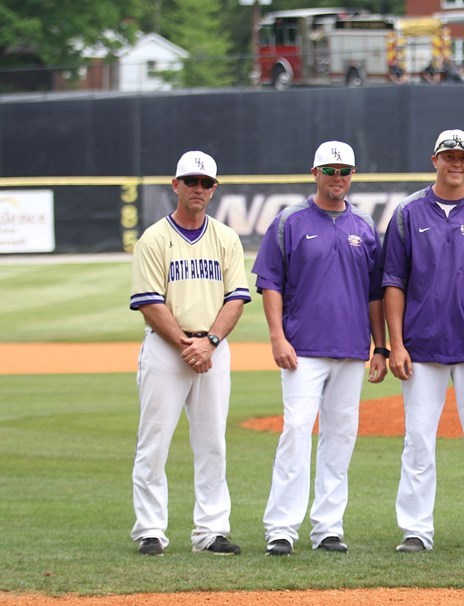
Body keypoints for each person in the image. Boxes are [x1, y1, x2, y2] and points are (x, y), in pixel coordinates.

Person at [381, 129, 464, 554]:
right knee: (418, 439)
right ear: (434, 159)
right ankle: (417, 529)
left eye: (463, 157)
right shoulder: (407, 212)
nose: (456, 163)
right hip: (420, 348)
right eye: (448, 156)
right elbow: (393, 280)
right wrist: (396, 343)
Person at [252, 141, 388, 557]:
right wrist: (277, 336)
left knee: (340, 436)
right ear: (315, 173)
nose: (338, 177)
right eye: (330, 170)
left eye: (345, 170)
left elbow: (375, 293)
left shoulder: (364, 226)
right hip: (303, 348)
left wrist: (380, 346)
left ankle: (328, 526)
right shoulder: (290, 221)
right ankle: (281, 527)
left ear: (352, 174)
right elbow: (270, 282)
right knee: (296, 431)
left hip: (350, 348)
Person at [128, 150, 251, 556]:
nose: (199, 189)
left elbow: (236, 298)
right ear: (175, 184)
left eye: (206, 183)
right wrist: (186, 343)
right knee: (154, 441)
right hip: (167, 350)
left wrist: (210, 342)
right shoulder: (154, 238)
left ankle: (211, 531)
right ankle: (149, 529)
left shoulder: (225, 237)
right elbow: (149, 301)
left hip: (213, 349)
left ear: (214, 189)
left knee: (213, 442)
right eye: (191, 181)